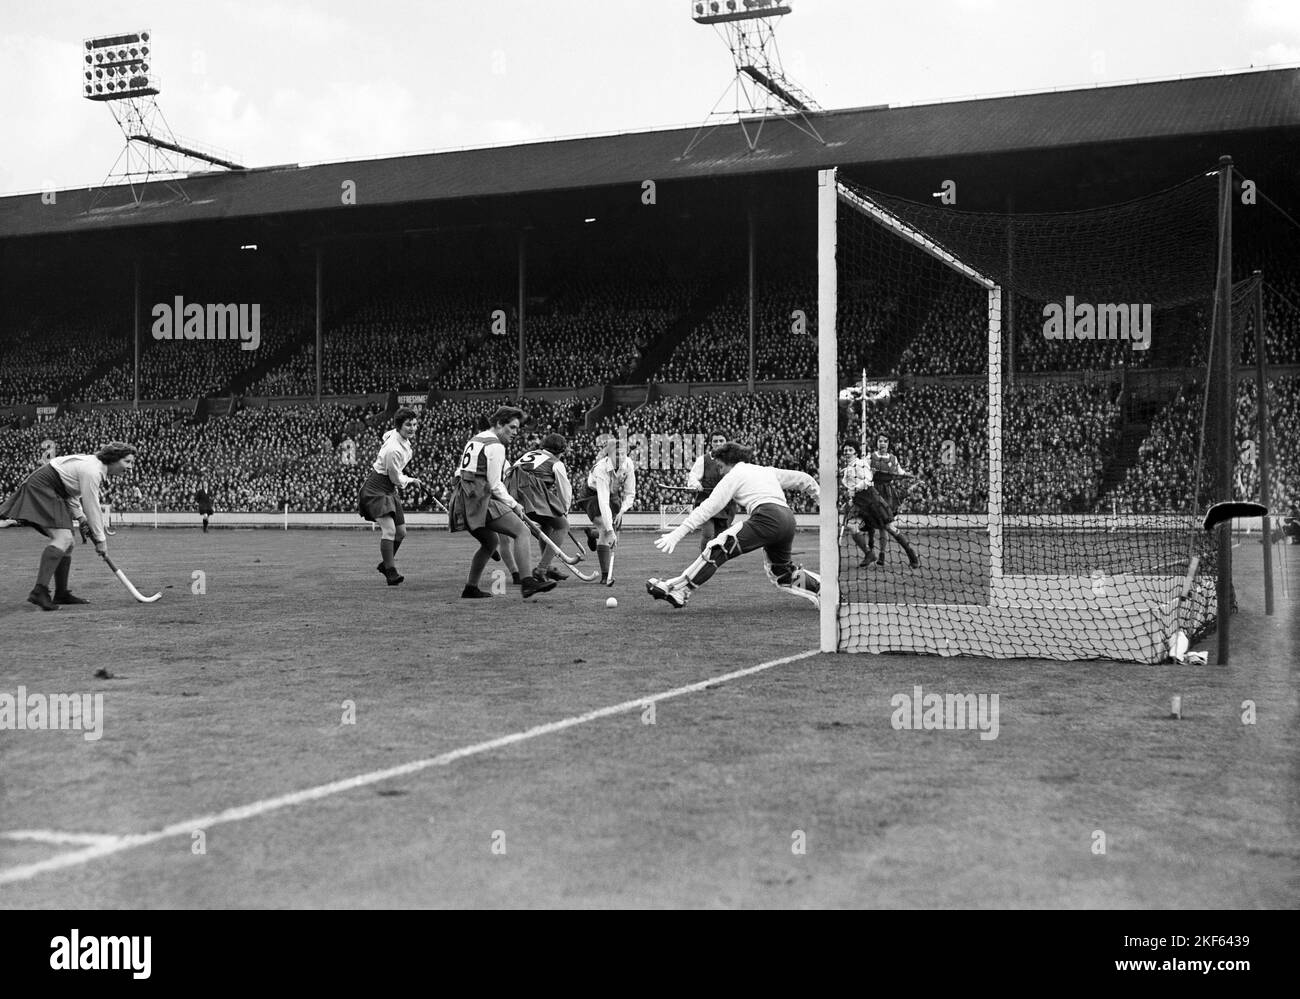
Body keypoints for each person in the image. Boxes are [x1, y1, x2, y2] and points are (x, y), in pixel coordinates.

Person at [647, 442, 821, 608]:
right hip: (788, 520)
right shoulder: (766, 471)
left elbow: (707, 508)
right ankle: (822, 587)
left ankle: (677, 588)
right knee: (783, 573)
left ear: (729, 462)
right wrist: (820, 500)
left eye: (721, 467)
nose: (720, 472)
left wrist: (677, 533)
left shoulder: (734, 475)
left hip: (767, 517)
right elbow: (805, 479)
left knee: (718, 547)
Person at [0, 442, 137, 610]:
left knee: (69, 543)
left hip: (52, 490)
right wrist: (101, 540)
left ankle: (61, 593)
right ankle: (39, 591)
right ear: (115, 459)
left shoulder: (93, 466)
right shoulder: (93, 470)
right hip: (41, 488)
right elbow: (91, 505)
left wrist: (81, 518)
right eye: (127, 462)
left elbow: (70, 492)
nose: (130, 467)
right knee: (63, 538)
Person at [450, 406, 556, 599]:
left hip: (464, 497)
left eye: (517, 428)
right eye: (512, 427)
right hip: (479, 498)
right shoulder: (496, 445)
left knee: (491, 542)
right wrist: (514, 504)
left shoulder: (477, 438)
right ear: (499, 424)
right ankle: (527, 582)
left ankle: (470, 588)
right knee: (521, 531)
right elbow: (495, 484)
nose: (516, 433)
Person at [358, 408, 422, 586]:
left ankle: (385, 564)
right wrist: (411, 480)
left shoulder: (393, 435)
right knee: (390, 531)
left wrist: (398, 468)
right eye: (408, 425)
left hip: (389, 488)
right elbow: (395, 478)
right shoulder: (393, 450)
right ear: (399, 426)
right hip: (377, 488)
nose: (412, 428)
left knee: (401, 533)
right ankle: (391, 572)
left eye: (414, 424)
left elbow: (386, 435)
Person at [506, 432, 574, 583]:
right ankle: (542, 569)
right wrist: (564, 511)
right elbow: (565, 490)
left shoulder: (529, 454)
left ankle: (547, 568)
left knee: (547, 525)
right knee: (562, 526)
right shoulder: (556, 463)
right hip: (530, 495)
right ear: (560, 451)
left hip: (512, 494)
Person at [583, 432, 636, 586]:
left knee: (613, 525)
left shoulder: (629, 464)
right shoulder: (601, 469)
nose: (621, 457)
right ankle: (606, 576)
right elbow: (603, 502)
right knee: (606, 529)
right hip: (592, 494)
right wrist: (610, 533)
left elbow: (630, 493)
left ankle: (593, 535)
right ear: (609, 455)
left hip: (612, 493)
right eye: (617, 454)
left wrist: (621, 512)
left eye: (624, 453)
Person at [686, 430, 735, 552]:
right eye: (715, 441)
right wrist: (696, 484)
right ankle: (702, 560)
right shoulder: (703, 460)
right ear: (711, 443)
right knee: (708, 533)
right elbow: (692, 477)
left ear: (726, 442)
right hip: (706, 501)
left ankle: (714, 560)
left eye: (721, 441)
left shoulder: (733, 461)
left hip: (726, 504)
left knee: (721, 537)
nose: (718, 443)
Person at [839, 443, 878, 567]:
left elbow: (868, 480)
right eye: (845, 450)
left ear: (856, 452)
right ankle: (869, 553)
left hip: (868, 500)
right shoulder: (848, 468)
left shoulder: (860, 464)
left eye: (850, 450)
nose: (847, 452)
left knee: (887, 527)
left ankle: (910, 554)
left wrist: (855, 489)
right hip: (857, 501)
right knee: (852, 526)